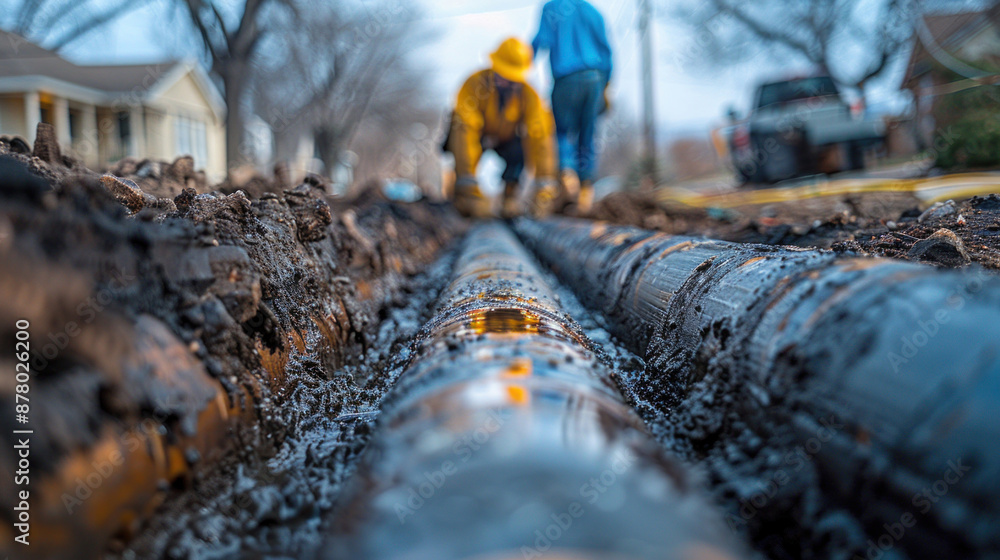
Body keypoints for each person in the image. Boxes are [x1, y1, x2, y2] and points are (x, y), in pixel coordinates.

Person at [445, 37, 558, 218]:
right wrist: (469, 188)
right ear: (495, 68)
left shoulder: (530, 95)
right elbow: (465, 132)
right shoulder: (474, 85)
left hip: (506, 139)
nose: (508, 83)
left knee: (519, 149)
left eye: (513, 79)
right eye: (504, 77)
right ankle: (460, 192)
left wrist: (544, 190)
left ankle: (509, 198)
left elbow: (542, 138)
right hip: (477, 136)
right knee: (457, 128)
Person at [532, 0, 613, 214]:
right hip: (595, 78)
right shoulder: (593, 12)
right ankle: (585, 191)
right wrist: (606, 84)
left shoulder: (552, 8)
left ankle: (568, 178)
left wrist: (520, 64)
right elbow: (606, 52)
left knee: (562, 132)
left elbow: (541, 40)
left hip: (565, 79)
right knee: (587, 135)